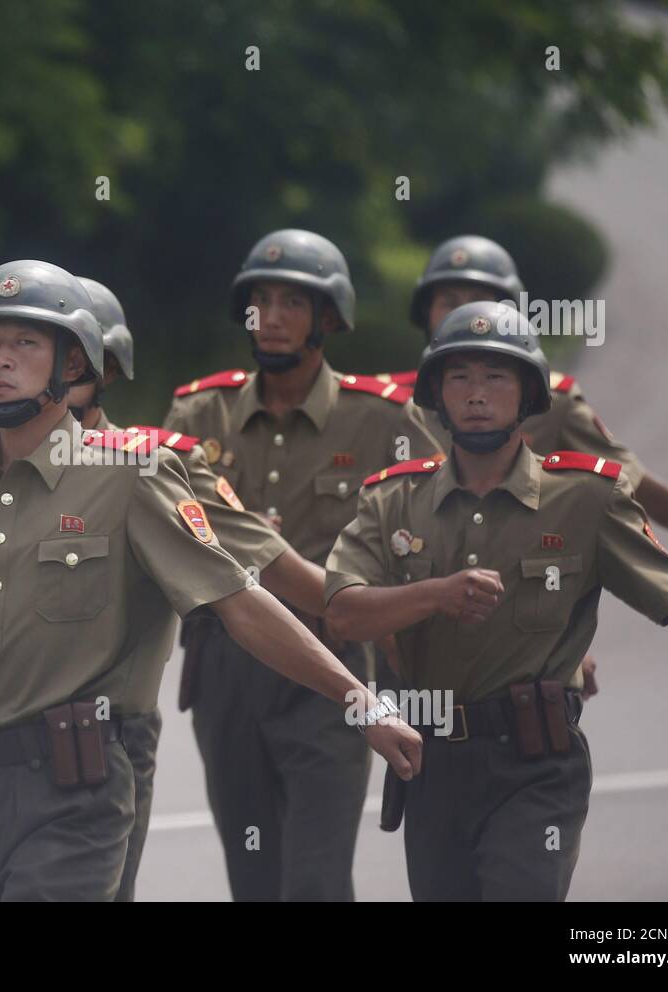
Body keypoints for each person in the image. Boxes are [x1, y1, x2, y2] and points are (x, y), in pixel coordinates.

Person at [0, 259, 421, 901]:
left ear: (73, 365)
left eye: (24, 342)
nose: (0, 359)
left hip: (75, 792)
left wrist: (362, 702)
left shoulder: (133, 476)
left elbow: (239, 602)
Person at [324, 301, 668, 900]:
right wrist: (434, 596)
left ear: (528, 393)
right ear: (436, 395)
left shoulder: (586, 497)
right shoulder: (392, 500)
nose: (477, 394)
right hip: (432, 766)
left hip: (535, 765)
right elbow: (342, 610)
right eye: (460, 377)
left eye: (496, 376)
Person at [0, 275, 337, 900]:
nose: (13, 364)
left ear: (102, 368)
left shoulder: (146, 466)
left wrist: (360, 636)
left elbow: (253, 573)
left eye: (67, 359)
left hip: (102, 732)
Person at [161, 229, 438, 900]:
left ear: (328, 318)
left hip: (334, 665)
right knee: (252, 878)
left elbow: (442, 531)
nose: (272, 316)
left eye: (292, 301)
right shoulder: (199, 411)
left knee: (313, 880)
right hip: (227, 666)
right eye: (260, 300)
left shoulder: (382, 419)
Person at [389, 234, 668, 602]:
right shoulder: (384, 406)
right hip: (403, 614)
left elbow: (633, 483)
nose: (464, 313)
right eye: (448, 302)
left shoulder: (551, 401)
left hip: (520, 613)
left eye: (480, 301)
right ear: (424, 313)